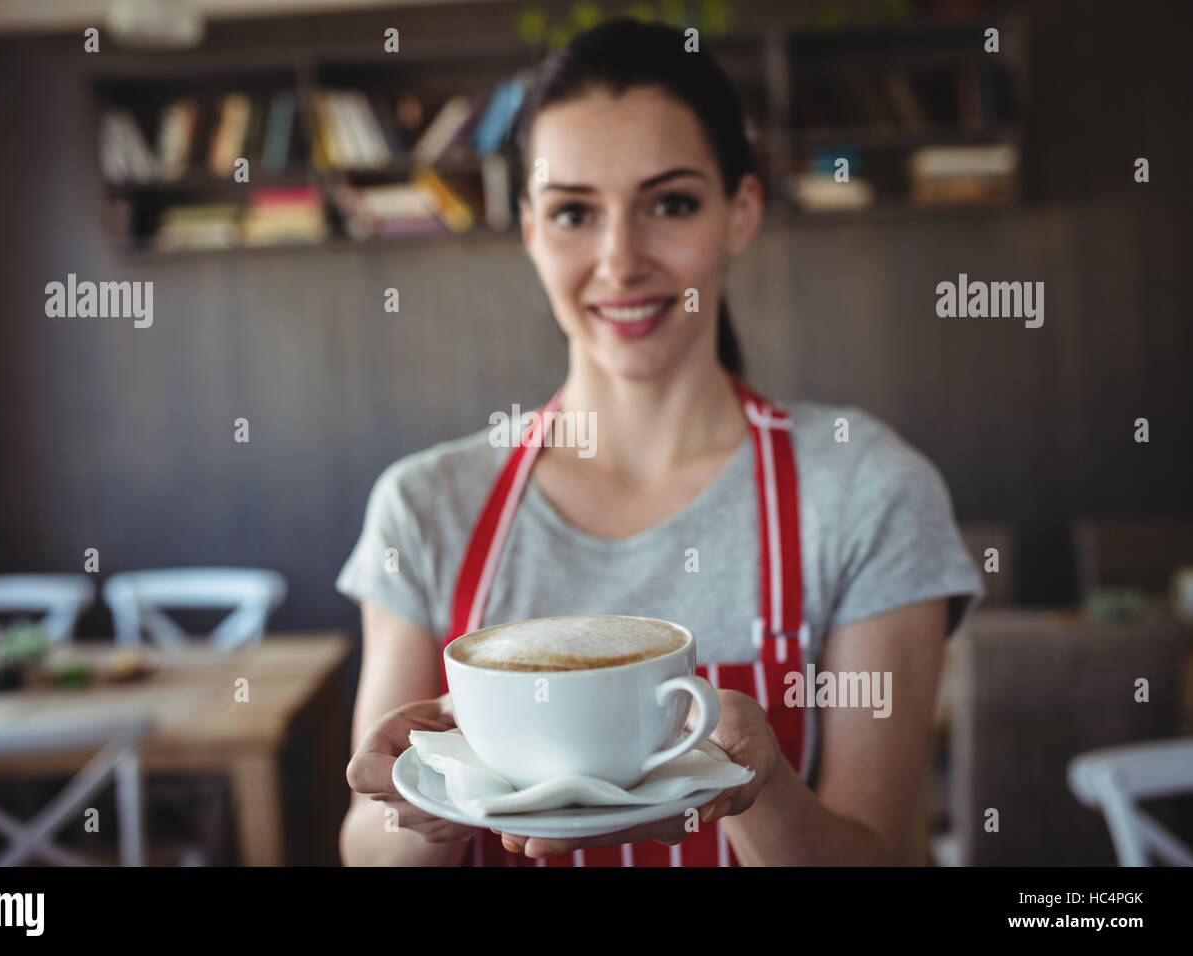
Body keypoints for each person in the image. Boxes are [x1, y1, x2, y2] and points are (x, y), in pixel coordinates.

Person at [337, 17, 984, 866]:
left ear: (741, 212)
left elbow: (881, 856)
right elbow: (364, 849)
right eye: (573, 211)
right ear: (531, 230)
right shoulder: (425, 505)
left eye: (669, 203)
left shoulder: (868, 489)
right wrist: (422, 802)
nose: (620, 259)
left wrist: (757, 788)